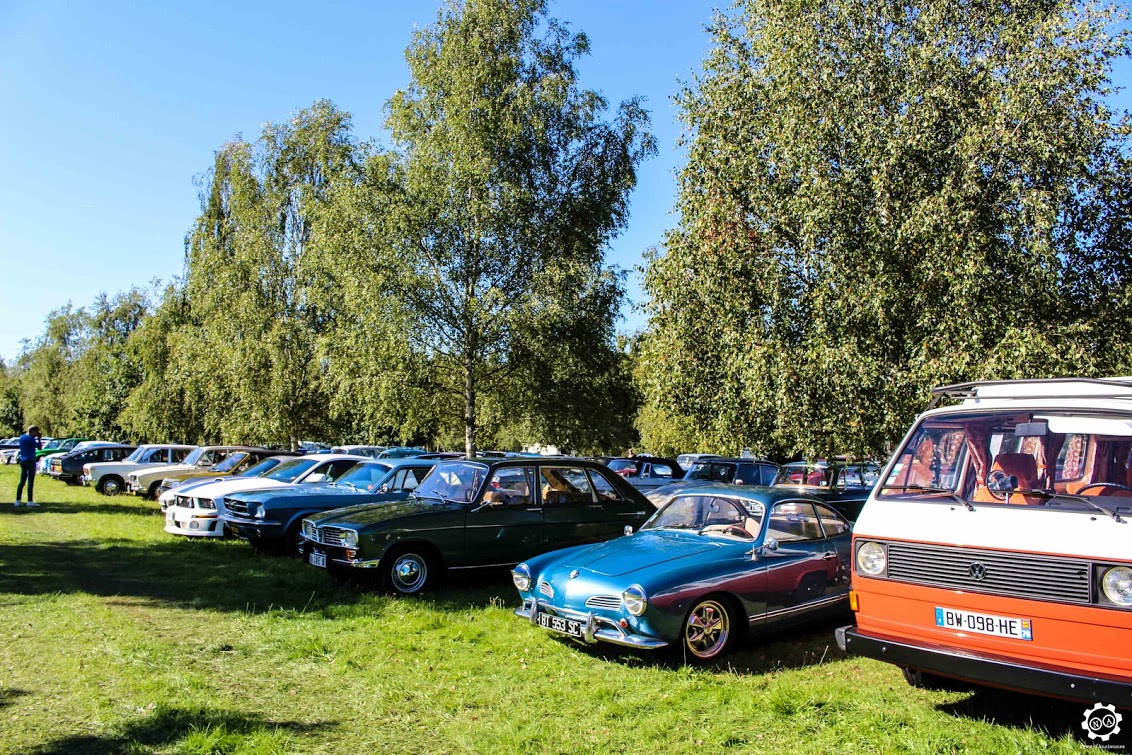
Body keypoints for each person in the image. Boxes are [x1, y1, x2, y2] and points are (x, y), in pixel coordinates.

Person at [15, 425, 42, 507]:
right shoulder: (31, 439)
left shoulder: (22, 438)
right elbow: (39, 448)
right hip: (30, 460)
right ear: (33, 431)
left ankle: (18, 500)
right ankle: (30, 501)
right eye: (36, 432)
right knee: (30, 481)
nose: (37, 434)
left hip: (23, 460)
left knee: (22, 481)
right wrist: (39, 439)